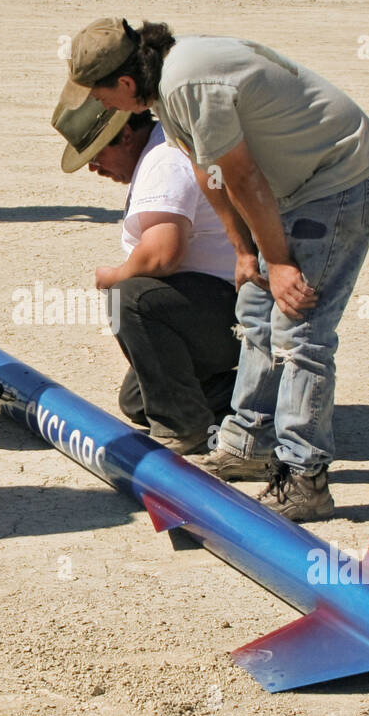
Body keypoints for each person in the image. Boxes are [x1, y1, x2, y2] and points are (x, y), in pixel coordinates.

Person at [59, 18, 369, 521]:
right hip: (294, 184)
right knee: (256, 305)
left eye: (103, 98)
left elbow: (242, 174)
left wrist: (278, 261)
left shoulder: (187, 83)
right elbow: (206, 170)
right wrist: (244, 250)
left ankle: (306, 478)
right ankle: (249, 443)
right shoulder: (166, 88)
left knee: (299, 326)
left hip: (338, 176)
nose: (104, 109)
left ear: (126, 83)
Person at [51, 101, 238, 454]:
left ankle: (184, 429)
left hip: (230, 310)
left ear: (124, 135)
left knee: (129, 297)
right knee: (138, 401)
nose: (92, 167)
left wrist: (112, 277)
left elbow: (162, 254)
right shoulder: (160, 150)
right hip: (216, 304)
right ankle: (263, 391)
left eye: (96, 153)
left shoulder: (164, 161)